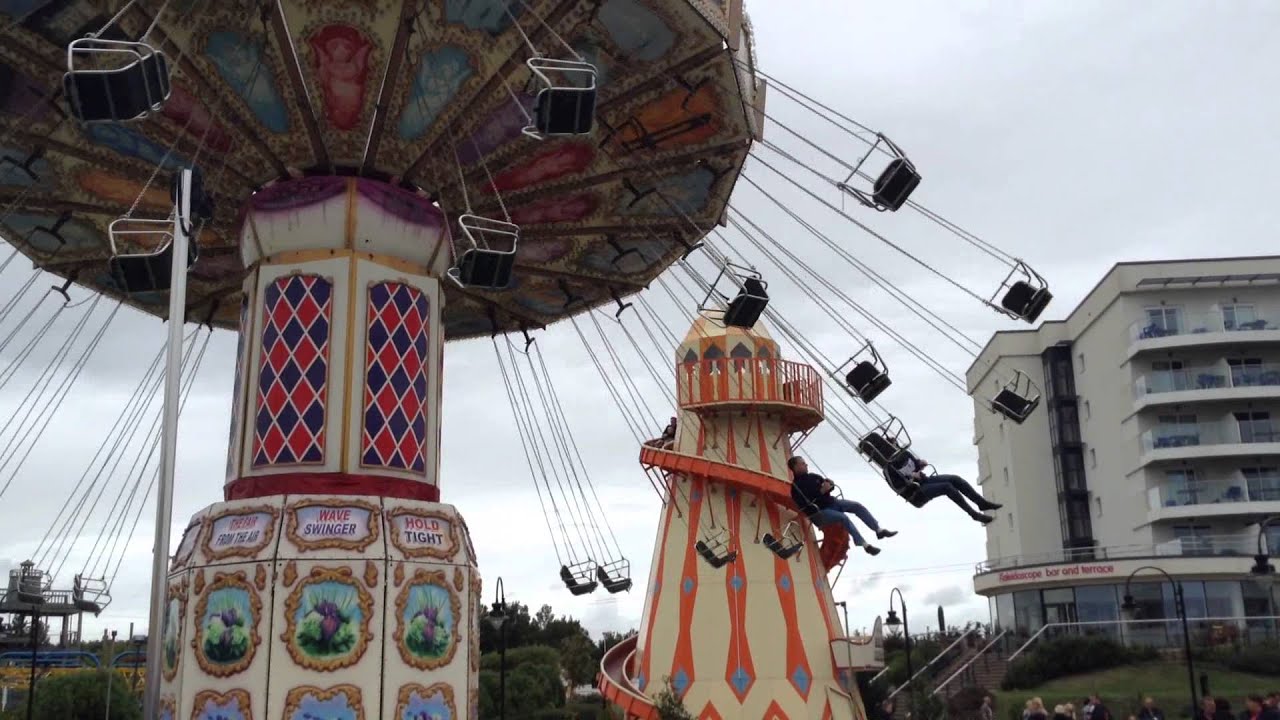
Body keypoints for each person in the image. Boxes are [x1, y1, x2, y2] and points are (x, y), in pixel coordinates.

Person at [787, 456, 896, 556]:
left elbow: (827, 487)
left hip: (831, 502)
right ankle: (864, 544)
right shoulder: (796, 487)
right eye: (802, 463)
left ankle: (878, 530)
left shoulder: (813, 476)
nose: (806, 465)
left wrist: (830, 485)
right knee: (843, 517)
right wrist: (821, 491)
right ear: (795, 467)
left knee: (856, 506)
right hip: (819, 513)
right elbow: (805, 505)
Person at [885, 450, 1000, 524]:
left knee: (955, 479)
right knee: (947, 487)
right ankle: (974, 514)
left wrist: (920, 464)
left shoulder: (905, 454)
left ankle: (981, 503)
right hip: (915, 492)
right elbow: (898, 487)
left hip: (925, 481)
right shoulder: (889, 469)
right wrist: (910, 477)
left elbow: (916, 464)